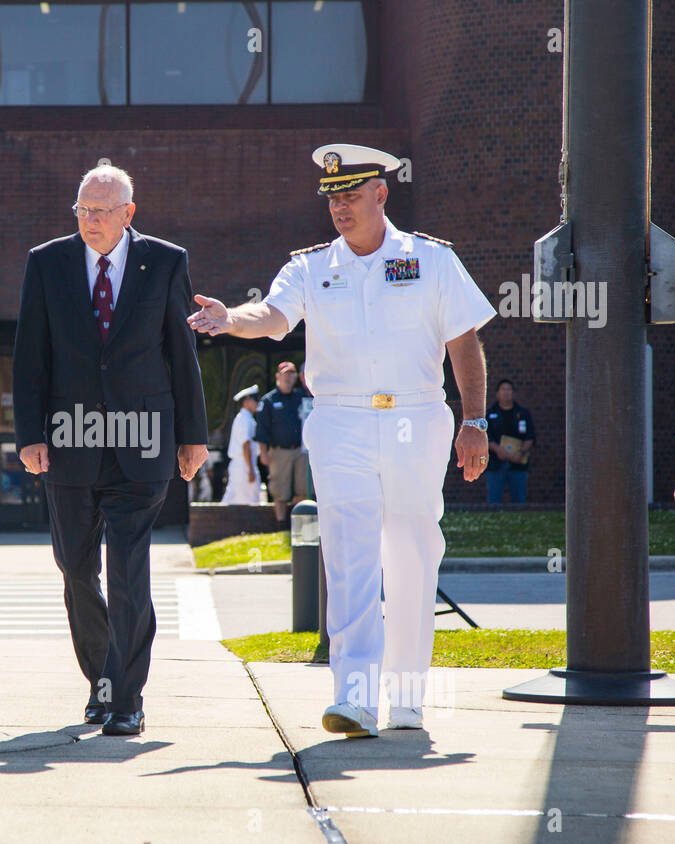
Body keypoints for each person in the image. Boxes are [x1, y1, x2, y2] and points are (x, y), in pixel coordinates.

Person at [187, 143, 494, 737]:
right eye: (332, 198)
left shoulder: (430, 259)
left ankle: (406, 697)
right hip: (341, 420)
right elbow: (274, 317)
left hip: (414, 416)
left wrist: (475, 421)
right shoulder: (309, 266)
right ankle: (353, 696)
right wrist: (231, 318)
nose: (340, 209)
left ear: (382, 193)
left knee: (409, 553)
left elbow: (463, 339)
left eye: (352, 196)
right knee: (349, 558)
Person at [13, 165, 207, 737]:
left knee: (127, 570)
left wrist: (192, 436)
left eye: (101, 211)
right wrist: (29, 435)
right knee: (75, 569)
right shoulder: (46, 262)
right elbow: (30, 354)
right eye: (81, 210)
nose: (89, 221)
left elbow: (181, 351)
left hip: (143, 443)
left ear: (129, 213)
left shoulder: (166, 261)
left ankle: (126, 697)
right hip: (69, 443)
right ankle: (102, 678)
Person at [255, 362, 310, 521]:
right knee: (280, 492)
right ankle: (280, 523)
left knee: (302, 489)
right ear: (278, 376)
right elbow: (262, 430)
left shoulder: (302, 397)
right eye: (285, 373)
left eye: (292, 374)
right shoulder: (269, 401)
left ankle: (299, 524)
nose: (289, 377)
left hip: (300, 451)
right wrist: (263, 453)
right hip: (279, 452)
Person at [484, 378, 535, 503]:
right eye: (503, 389)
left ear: (513, 393)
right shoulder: (489, 414)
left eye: (509, 389)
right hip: (496, 463)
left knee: (519, 499)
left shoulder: (523, 413)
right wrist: (498, 450)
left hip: (518, 464)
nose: (506, 392)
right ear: (497, 394)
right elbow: (485, 436)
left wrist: (521, 453)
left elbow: (530, 436)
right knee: (494, 500)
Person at [221, 384, 261, 504]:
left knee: (235, 500)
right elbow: (245, 445)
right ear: (246, 401)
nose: (257, 403)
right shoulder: (245, 419)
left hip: (243, 464)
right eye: (255, 400)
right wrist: (250, 470)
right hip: (244, 465)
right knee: (248, 502)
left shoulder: (245, 418)